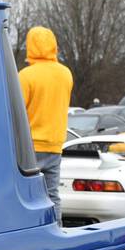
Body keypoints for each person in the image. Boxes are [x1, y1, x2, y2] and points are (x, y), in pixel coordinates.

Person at [18, 26, 74, 209]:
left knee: (24, 197)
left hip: (29, 147)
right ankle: (56, 230)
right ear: (54, 46)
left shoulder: (25, 76)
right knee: (52, 195)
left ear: (30, 46)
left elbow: (16, 113)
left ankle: (27, 234)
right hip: (55, 145)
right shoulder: (66, 74)